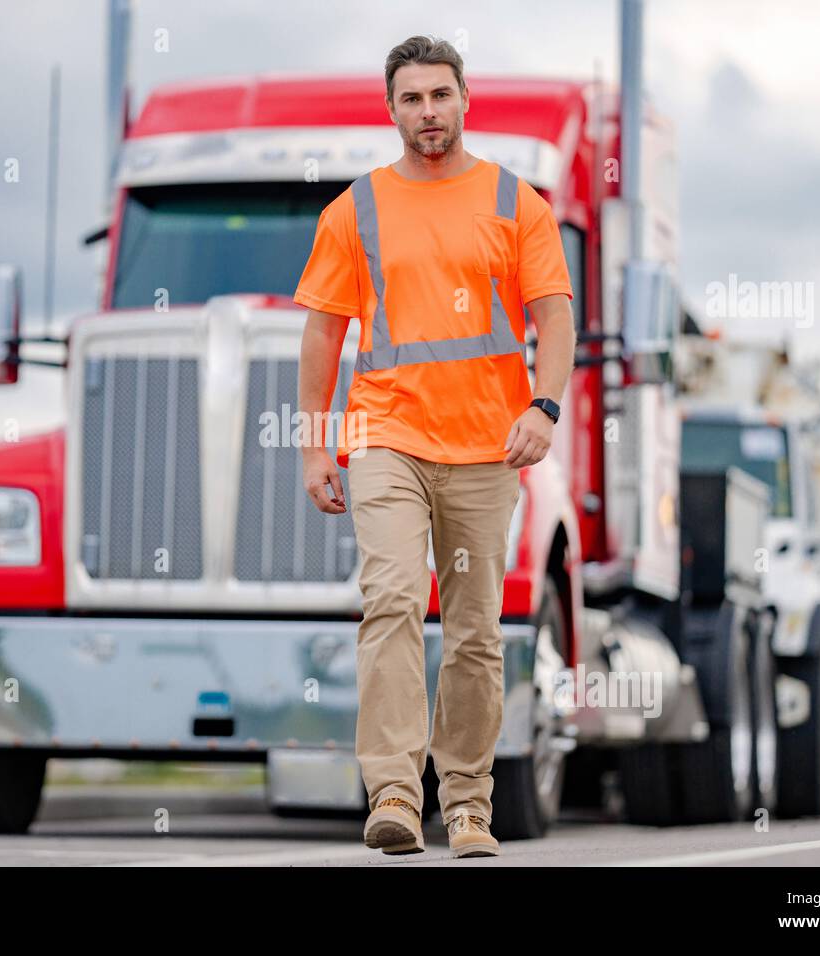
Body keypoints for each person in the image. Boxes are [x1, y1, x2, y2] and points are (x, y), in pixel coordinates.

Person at [293, 34, 576, 858]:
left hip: (488, 448)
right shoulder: (356, 210)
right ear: (391, 110)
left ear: (463, 99)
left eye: (440, 96)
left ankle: (468, 805)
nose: (428, 113)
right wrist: (316, 448)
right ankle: (389, 791)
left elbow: (553, 314)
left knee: (477, 631)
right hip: (387, 436)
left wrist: (545, 406)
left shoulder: (513, 201)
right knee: (390, 599)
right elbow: (322, 334)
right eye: (411, 99)